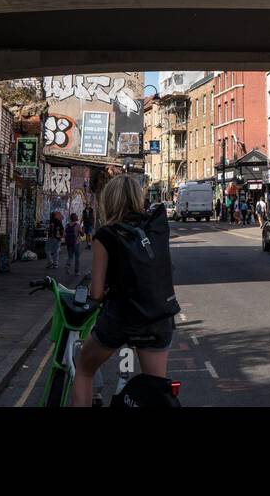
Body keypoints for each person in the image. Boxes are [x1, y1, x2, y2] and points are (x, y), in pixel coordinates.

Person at [70, 174, 178, 407]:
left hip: (121, 317)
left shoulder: (106, 235)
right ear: (137, 198)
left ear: (110, 200)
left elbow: (97, 293)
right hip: (157, 316)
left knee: (84, 368)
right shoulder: (155, 229)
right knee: (156, 392)